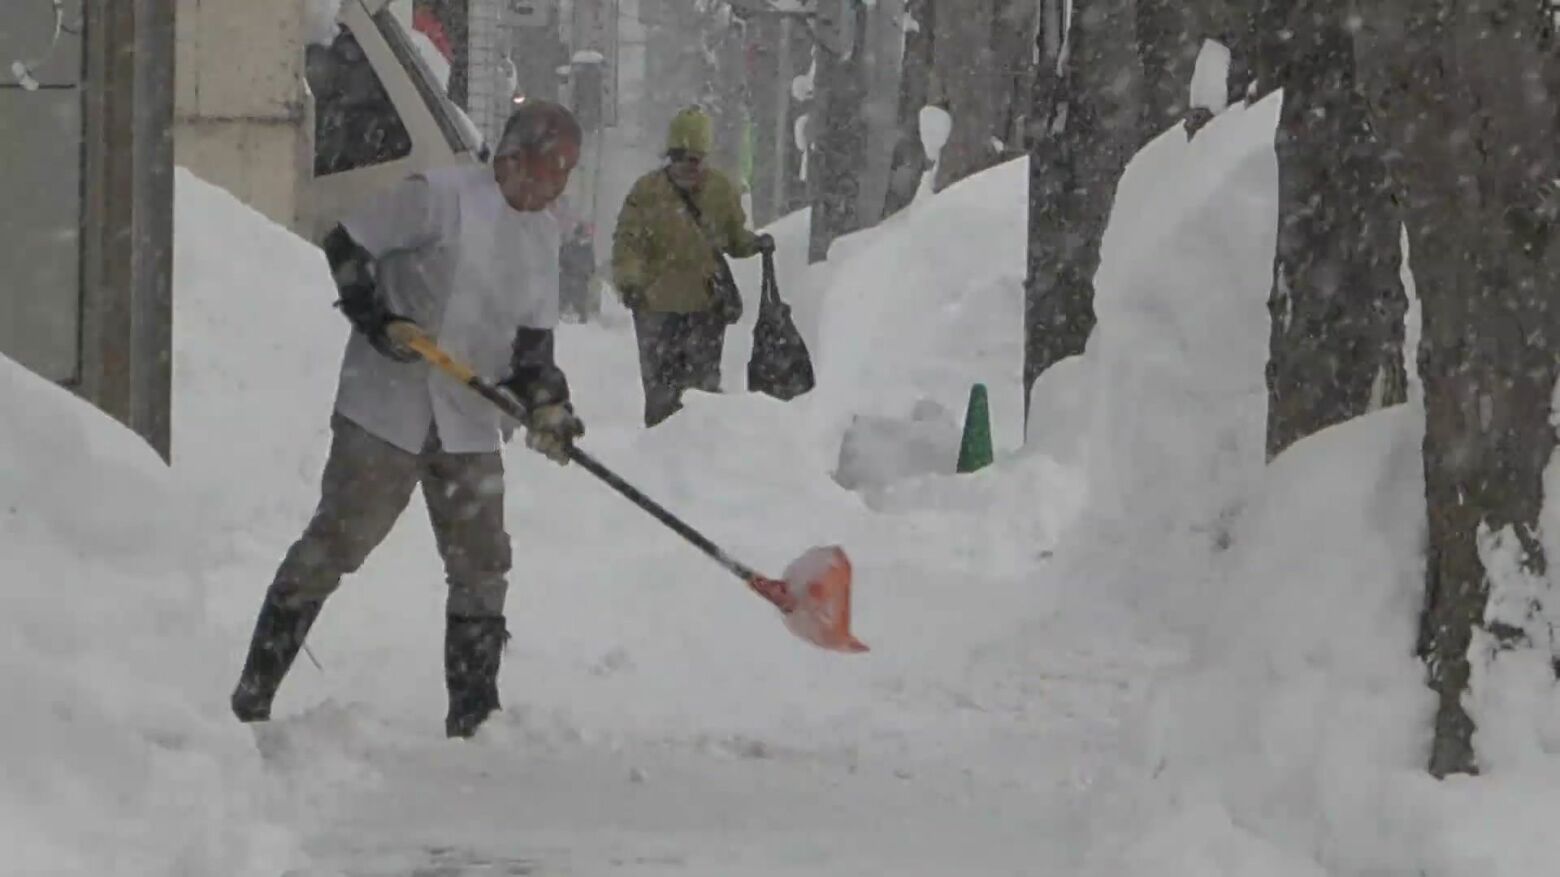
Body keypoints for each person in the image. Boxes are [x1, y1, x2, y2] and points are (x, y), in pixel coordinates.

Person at [230, 101, 587, 739]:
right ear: (509, 158)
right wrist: (378, 319)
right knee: (335, 546)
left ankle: (474, 718)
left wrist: (549, 404)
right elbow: (346, 245)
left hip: (468, 420)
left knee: (483, 562)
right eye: (543, 170)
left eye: (562, 176)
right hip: (384, 407)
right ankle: (253, 697)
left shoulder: (543, 239)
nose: (550, 187)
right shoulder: (438, 198)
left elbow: (533, 350)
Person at [611, 106, 775, 427]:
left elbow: (732, 239)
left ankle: (698, 454)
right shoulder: (647, 193)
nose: (688, 167)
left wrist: (755, 244)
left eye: (695, 159)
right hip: (657, 310)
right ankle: (660, 454)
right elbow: (627, 242)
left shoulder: (720, 191)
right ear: (669, 157)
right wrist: (630, 281)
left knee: (701, 396)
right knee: (661, 397)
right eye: (679, 157)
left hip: (703, 310)